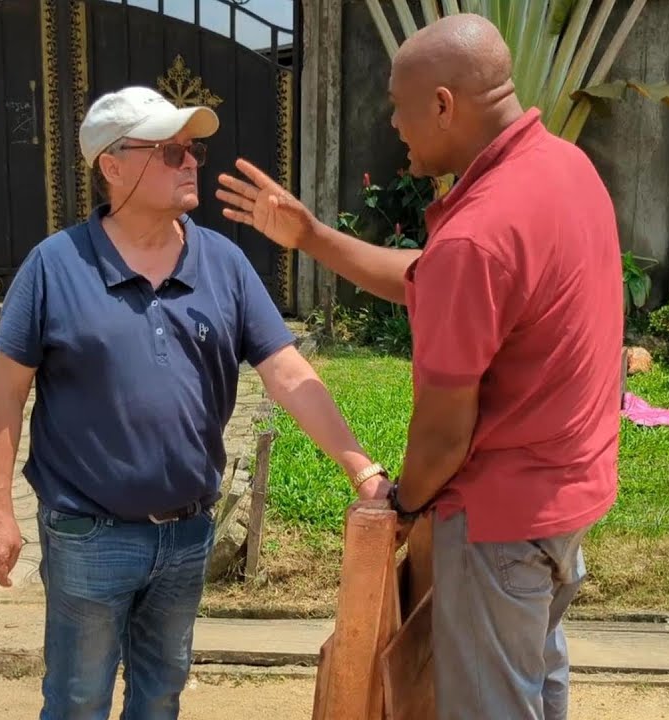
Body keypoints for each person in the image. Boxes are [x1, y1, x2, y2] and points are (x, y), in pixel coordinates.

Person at [216, 14, 623, 720]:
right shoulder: (563, 167)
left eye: (400, 106)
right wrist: (311, 235)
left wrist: (402, 501)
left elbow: (442, 435)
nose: (395, 124)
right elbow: (432, 276)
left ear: (443, 104)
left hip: (502, 526)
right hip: (568, 499)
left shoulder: (479, 233)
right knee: (535, 687)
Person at [0, 86, 391, 720]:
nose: (191, 162)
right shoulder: (55, 267)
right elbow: (6, 393)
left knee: (162, 694)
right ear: (111, 166)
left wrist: (360, 468)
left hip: (188, 533)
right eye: (170, 151)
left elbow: (284, 370)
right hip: (89, 534)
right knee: (78, 698)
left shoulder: (222, 262)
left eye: (191, 149)